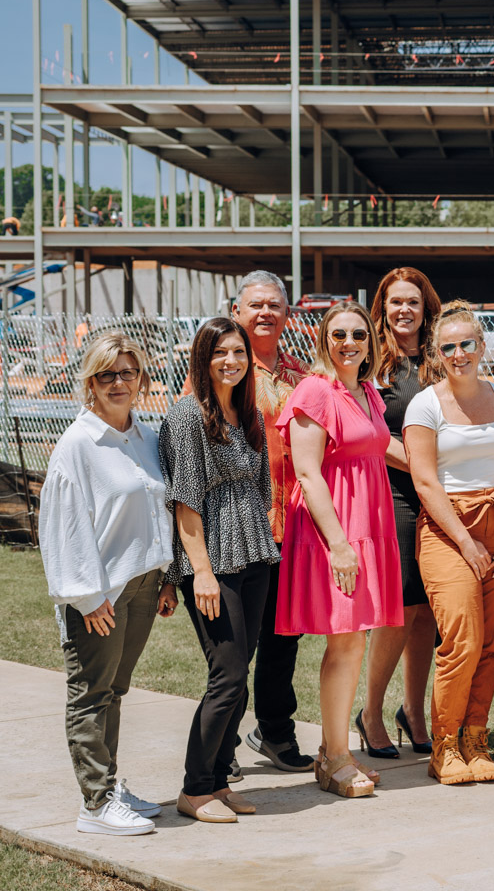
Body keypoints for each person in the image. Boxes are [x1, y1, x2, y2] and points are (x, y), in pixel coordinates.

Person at [40, 332, 174, 836]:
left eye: (127, 372)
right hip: (101, 592)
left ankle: (109, 784)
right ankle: (94, 804)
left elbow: (155, 509)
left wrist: (164, 579)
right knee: (91, 693)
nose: (119, 383)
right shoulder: (78, 445)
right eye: (106, 375)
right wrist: (87, 595)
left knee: (115, 690)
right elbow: (62, 527)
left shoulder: (144, 435)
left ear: (140, 378)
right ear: (89, 383)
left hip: (142, 583)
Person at [276, 300, 403, 799]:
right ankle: (335, 756)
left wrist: (440, 474)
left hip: (368, 522)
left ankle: (336, 752)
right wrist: (339, 546)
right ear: (323, 340)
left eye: (357, 335)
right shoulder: (315, 390)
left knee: (356, 640)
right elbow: (307, 473)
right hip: (336, 530)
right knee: (346, 641)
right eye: (338, 335)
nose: (348, 344)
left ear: (370, 342)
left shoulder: (367, 390)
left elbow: (380, 446)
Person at [158, 318, 279, 824]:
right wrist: (200, 573)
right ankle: (194, 788)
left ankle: (220, 780)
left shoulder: (245, 411)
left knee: (240, 674)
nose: (231, 361)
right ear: (202, 359)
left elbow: (263, 479)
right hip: (213, 561)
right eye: (220, 353)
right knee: (226, 675)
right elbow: (186, 503)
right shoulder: (188, 417)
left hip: (253, 555)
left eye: (239, 353)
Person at [404, 302, 494, 785]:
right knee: (463, 638)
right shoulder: (426, 404)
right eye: (449, 347)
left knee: (493, 643)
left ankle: (476, 739)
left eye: (467, 344)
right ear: (437, 354)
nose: (459, 354)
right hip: (446, 528)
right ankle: (445, 743)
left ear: (482, 346)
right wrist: (464, 541)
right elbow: (425, 482)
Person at [230, 271, 314, 774]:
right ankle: (221, 742)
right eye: (255, 304)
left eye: (274, 306)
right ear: (237, 311)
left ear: (287, 316)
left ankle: (276, 733)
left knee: (284, 638)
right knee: (237, 645)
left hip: (294, 527)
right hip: (243, 525)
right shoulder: (223, 368)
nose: (264, 312)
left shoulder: (303, 376)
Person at [359, 267, 442, 759]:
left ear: (425, 305)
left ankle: (413, 711)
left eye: (413, 301)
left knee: (429, 608)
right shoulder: (372, 362)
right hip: (396, 494)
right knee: (400, 607)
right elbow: (370, 428)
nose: (404, 310)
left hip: (442, 495)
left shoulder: (439, 357)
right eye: (395, 302)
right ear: (383, 308)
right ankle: (370, 712)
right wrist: (426, 468)